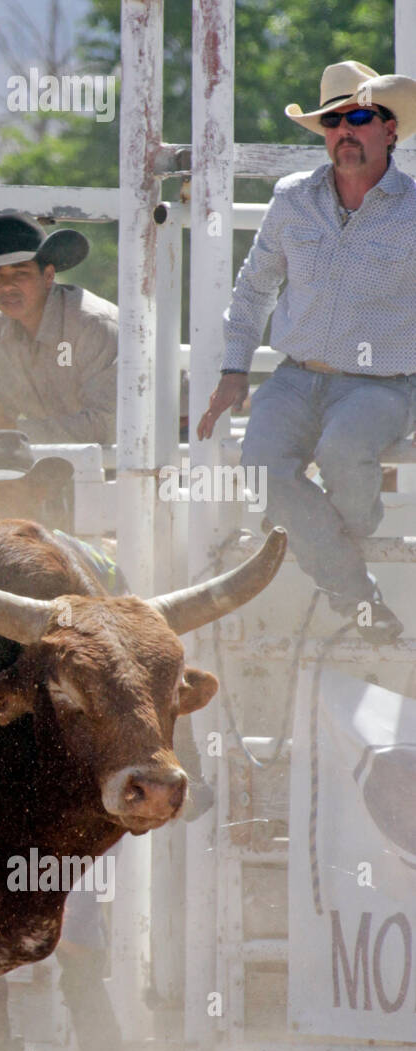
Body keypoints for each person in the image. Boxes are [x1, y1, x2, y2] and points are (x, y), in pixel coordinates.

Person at [197, 61, 416, 642]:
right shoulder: (293, 198)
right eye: (333, 121)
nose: (345, 130)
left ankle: (331, 549)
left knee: (343, 449)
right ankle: (356, 595)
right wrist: (234, 368)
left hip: (381, 384)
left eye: (359, 116)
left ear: (389, 129)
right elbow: (255, 286)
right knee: (262, 467)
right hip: (294, 378)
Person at [0, 211, 118, 462]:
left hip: (172, 445)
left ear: (49, 275)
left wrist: (10, 432)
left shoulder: (91, 325)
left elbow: (105, 425)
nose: (7, 286)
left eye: (20, 273)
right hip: (78, 465)